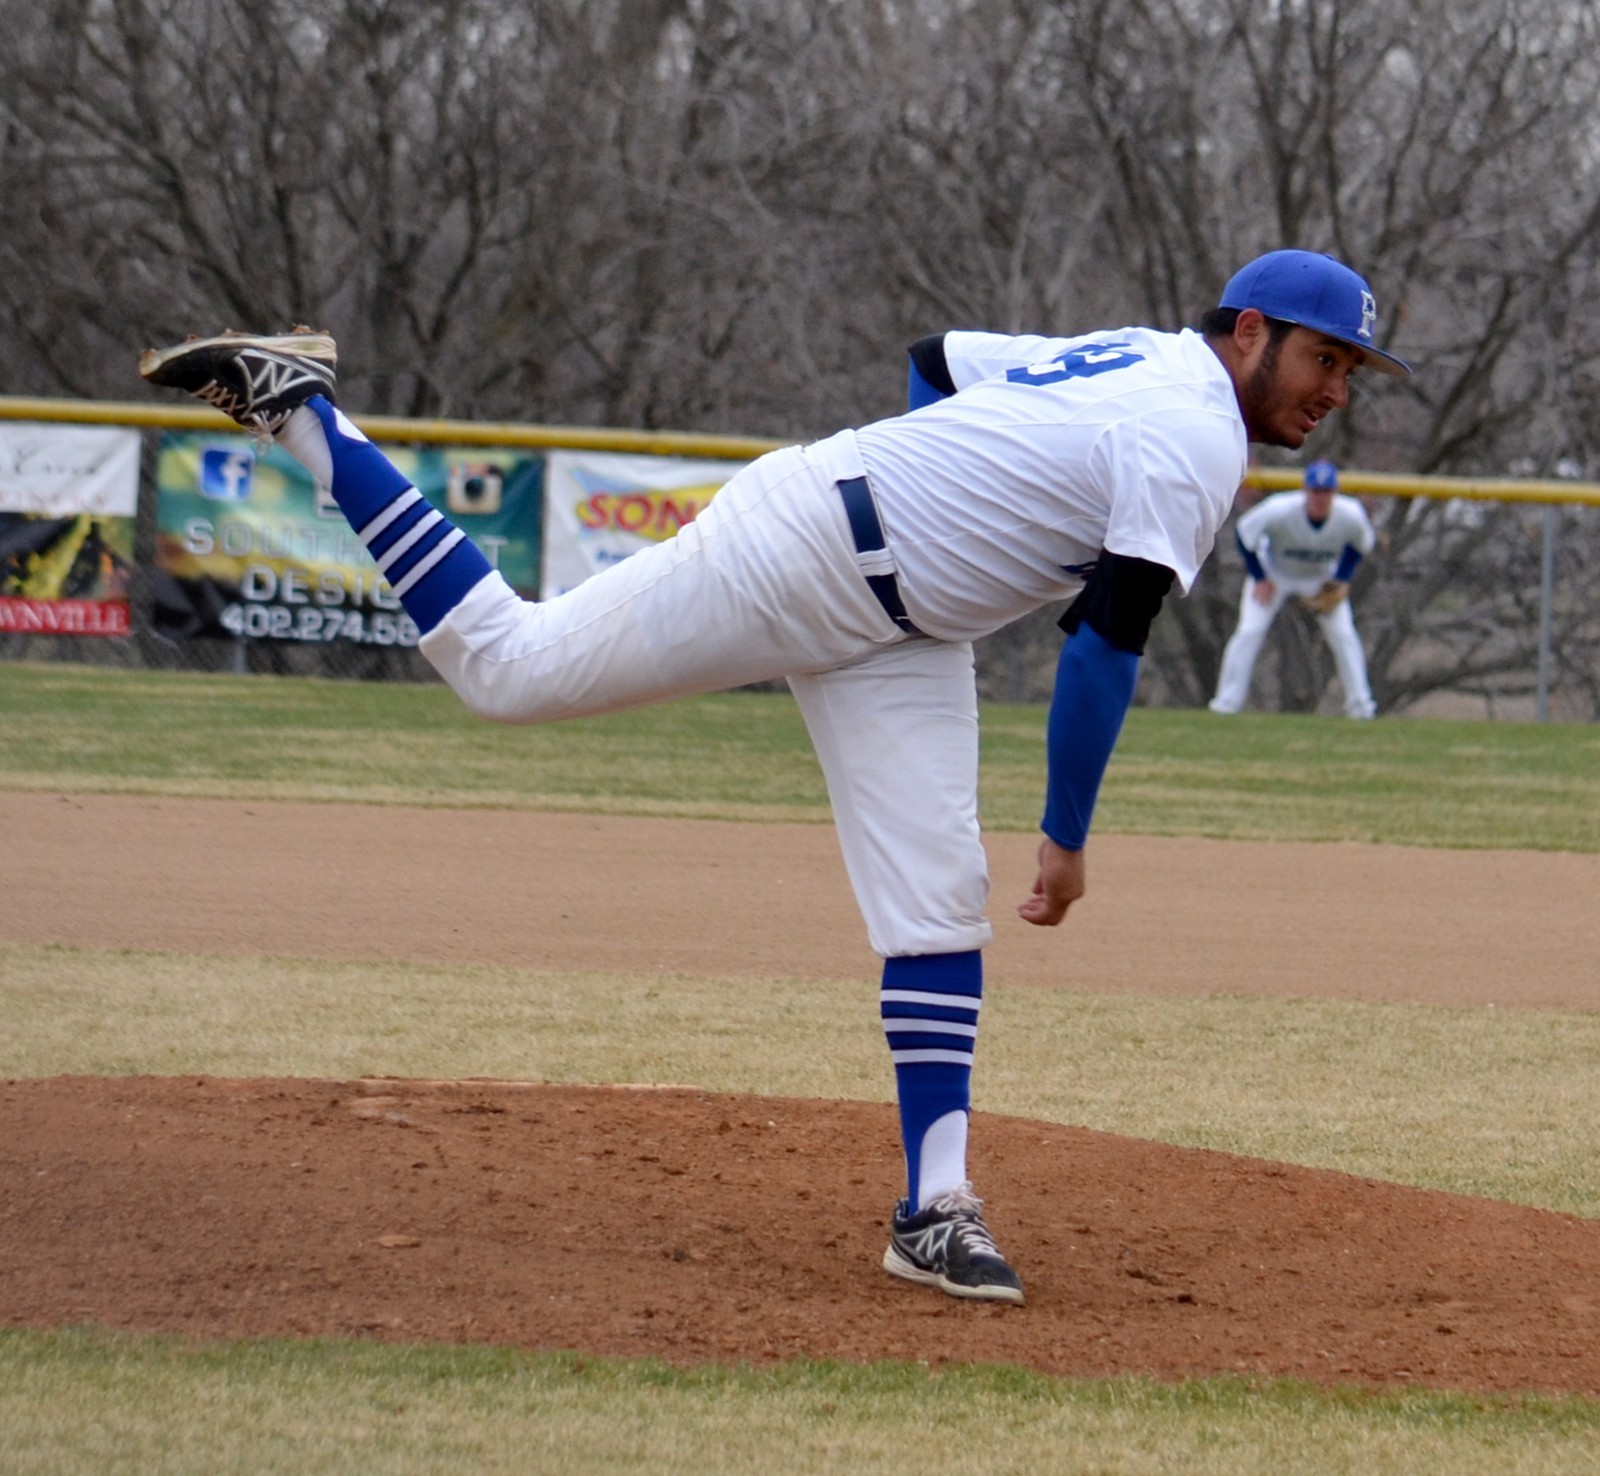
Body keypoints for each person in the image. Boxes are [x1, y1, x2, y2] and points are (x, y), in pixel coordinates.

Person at [140, 247, 1409, 1306]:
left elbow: (936, 359)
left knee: (936, 901)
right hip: (805, 546)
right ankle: (304, 414)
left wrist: (940, 494)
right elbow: (1104, 647)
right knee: (509, 668)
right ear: (1250, 331)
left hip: (906, 625)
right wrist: (1065, 835)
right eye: (1324, 357)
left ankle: (935, 1208)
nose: (1336, 389)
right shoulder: (1192, 431)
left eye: (1350, 370)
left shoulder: (1142, 356)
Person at [1208, 459, 1379, 719]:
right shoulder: (1280, 509)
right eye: (1315, 491)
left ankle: (1361, 708)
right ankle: (1226, 704)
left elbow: (1361, 545)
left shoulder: (1350, 514)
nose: (1320, 498)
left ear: (1334, 493)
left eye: (1326, 492)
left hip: (1321, 578)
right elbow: (1244, 534)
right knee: (1250, 631)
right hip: (1275, 573)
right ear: (1305, 491)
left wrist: (1341, 578)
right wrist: (1259, 577)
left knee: (1344, 635)